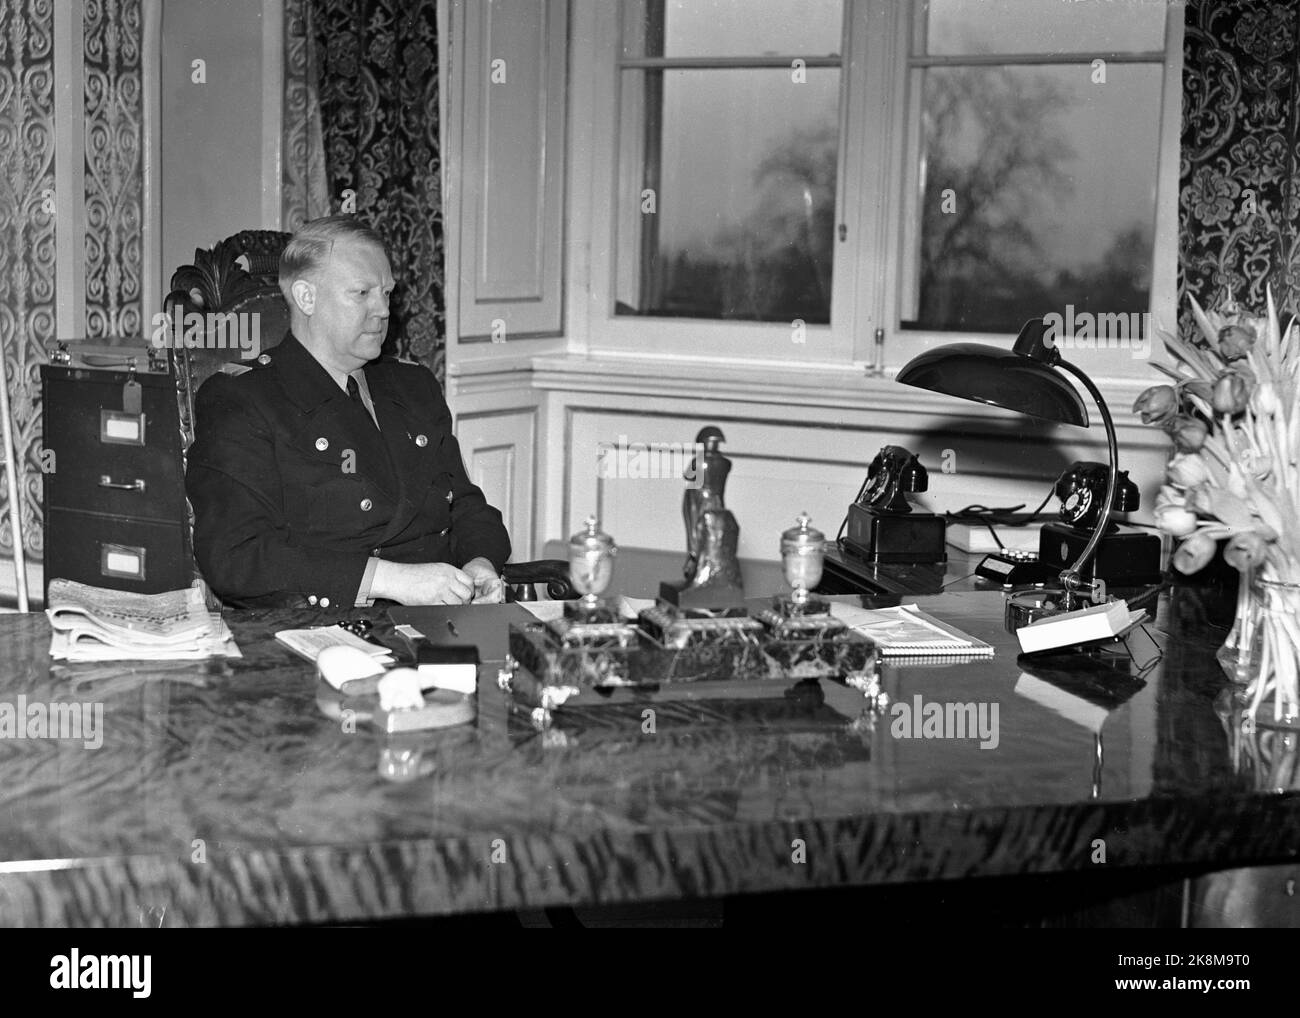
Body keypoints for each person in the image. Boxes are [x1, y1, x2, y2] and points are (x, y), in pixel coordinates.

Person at [185, 215, 510, 608]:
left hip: (440, 622)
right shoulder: (244, 399)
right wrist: (390, 580)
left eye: (387, 293)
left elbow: (465, 505)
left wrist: (478, 564)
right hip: (323, 628)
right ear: (306, 297)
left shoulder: (413, 386)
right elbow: (236, 556)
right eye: (362, 293)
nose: (383, 310)